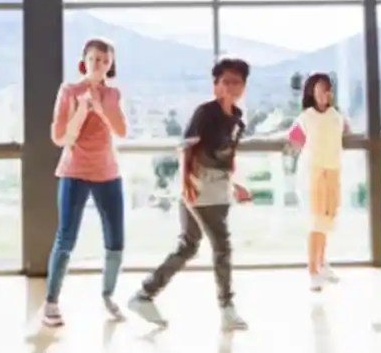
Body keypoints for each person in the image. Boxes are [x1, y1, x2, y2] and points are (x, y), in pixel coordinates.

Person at [128, 58, 253, 332]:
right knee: (222, 246)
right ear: (215, 84)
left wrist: (235, 184)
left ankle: (144, 295)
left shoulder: (237, 119)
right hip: (200, 186)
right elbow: (185, 147)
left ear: (244, 86)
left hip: (218, 188)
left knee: (188, 246)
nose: (231, 86)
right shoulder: (205, 113)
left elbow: (228, 157)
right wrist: (185, 183)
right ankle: (227, 307)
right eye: (225, 81)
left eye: (237, 81)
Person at [42, 38, 129, 327]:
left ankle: (107, 295)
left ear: (110, 65)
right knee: (66, 238)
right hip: (74, 172)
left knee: (115, 240)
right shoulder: (69, 91)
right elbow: (61, 138)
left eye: (104, 61)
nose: (98, 65)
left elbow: (121, 131)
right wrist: (82, 109)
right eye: (93, 59)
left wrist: (100, 108)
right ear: (84, 61)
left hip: (108, 173)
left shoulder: (113, 93)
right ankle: (51, 302)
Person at [286, 72, 350, 291]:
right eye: (320, 89)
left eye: (328, 89)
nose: (325, 93)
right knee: (315, 223)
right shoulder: (306, 117)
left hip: (333, 171)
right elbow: (293, 140)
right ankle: (313, 269)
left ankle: (322, 262)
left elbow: (342, 133)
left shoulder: (336, 116)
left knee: (326, 221)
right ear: (311, 92)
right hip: (313, 173)